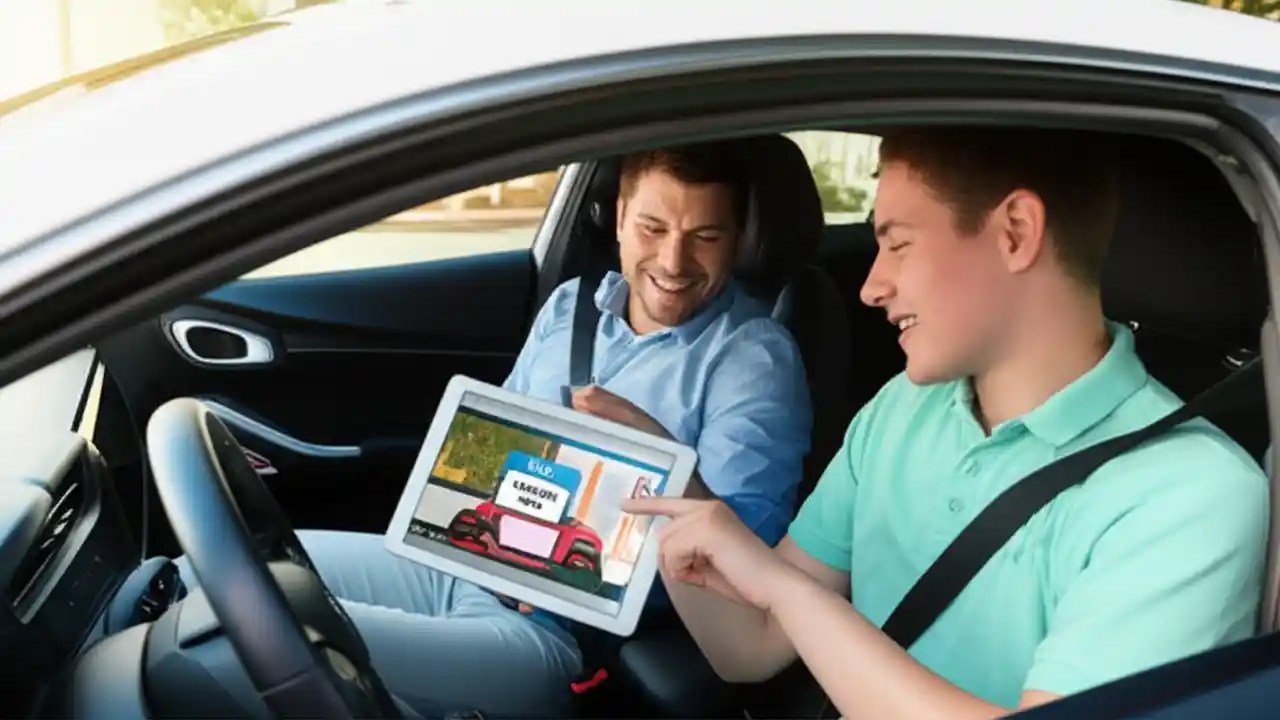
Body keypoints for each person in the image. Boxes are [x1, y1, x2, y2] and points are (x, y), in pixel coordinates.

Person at [625, 127, 1269, 719]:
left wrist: (788, 594)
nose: (871, 286)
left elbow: (785, 606)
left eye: (898, 244)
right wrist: (670, 491)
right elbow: (751, 649)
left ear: (1015, 232)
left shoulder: (1191, 491)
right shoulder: (901, 409)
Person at [290, 140, 813, 718]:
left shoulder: (753, 358)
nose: (672, 261)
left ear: (738, 240)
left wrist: (661, 458)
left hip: (566, 636)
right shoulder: (570, 307)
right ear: (618, 218)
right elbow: (496, 444)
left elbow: (746, 554)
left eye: (705, 237)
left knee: (289, 637)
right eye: (652, 227)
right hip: (468, 561)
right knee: (242, 574)